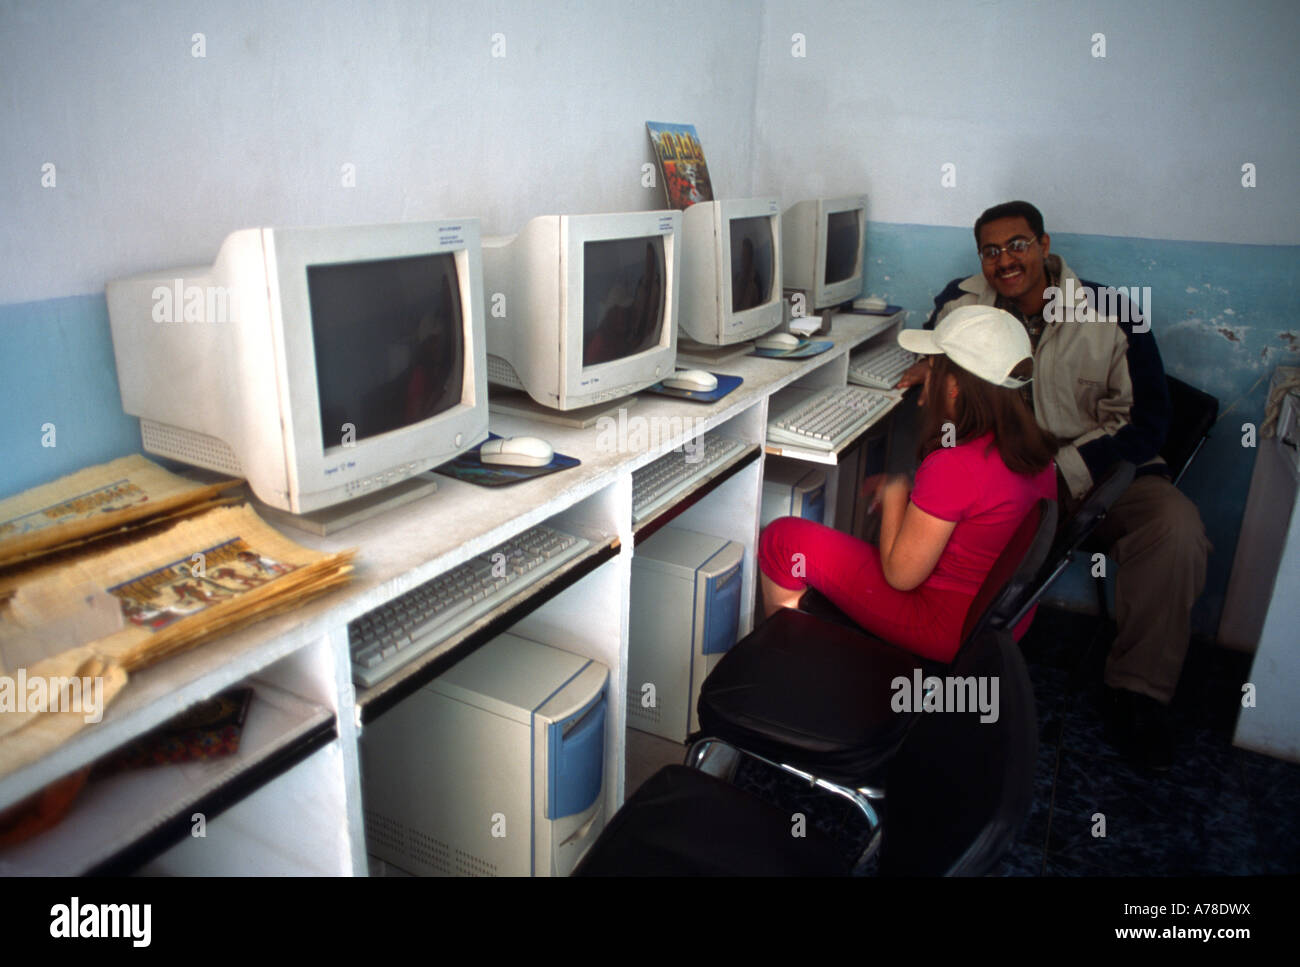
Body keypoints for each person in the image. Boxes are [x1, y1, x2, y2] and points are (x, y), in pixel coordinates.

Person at [897, 200, 1210, 770]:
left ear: (1045, 245)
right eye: (990, 251)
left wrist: (1063, 469)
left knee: (1175, 528)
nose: (1004, 261)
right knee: (929, 502)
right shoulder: (960, 301)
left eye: (1017, 244)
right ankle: (940, 667)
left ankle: (1138, 692)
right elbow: (937, 350)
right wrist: (932, 368)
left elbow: (1147, 423)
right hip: (1003, 476)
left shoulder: (1114, 312)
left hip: (1094, 473)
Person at [758, 305, 1058, 663]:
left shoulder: (954, 465)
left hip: (943, 626)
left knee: (781, 541)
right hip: (1004, 621)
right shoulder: (1035, 451)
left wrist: (897, 493)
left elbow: (901, 576)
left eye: (931, 371)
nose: (925, 380)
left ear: (955, 387)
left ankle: (782, 667)